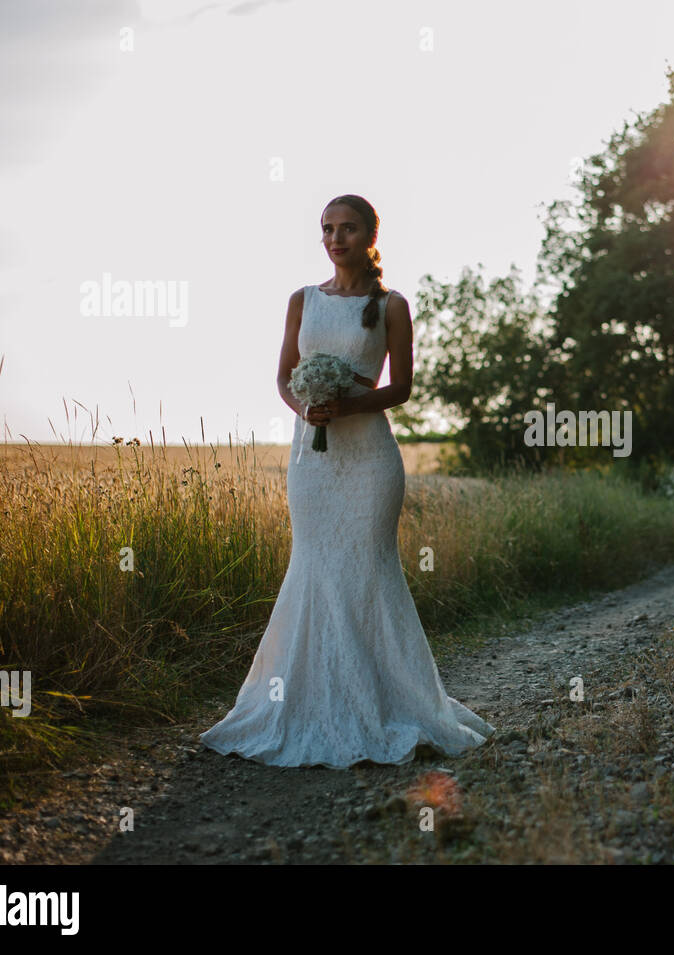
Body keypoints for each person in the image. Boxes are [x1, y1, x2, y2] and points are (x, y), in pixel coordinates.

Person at [200, 194, 494, 767]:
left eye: (348, 228)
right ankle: (304, 703)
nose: (336, 238)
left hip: (370, 463)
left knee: (366, 568)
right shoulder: (301, 300)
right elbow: (283, 377)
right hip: (311, 460)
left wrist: (350, 402)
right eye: (327, 229)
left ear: (370, 235)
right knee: (313, 564)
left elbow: (403, 388)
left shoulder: (391, 305)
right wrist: (305, 406)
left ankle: (383, 703)